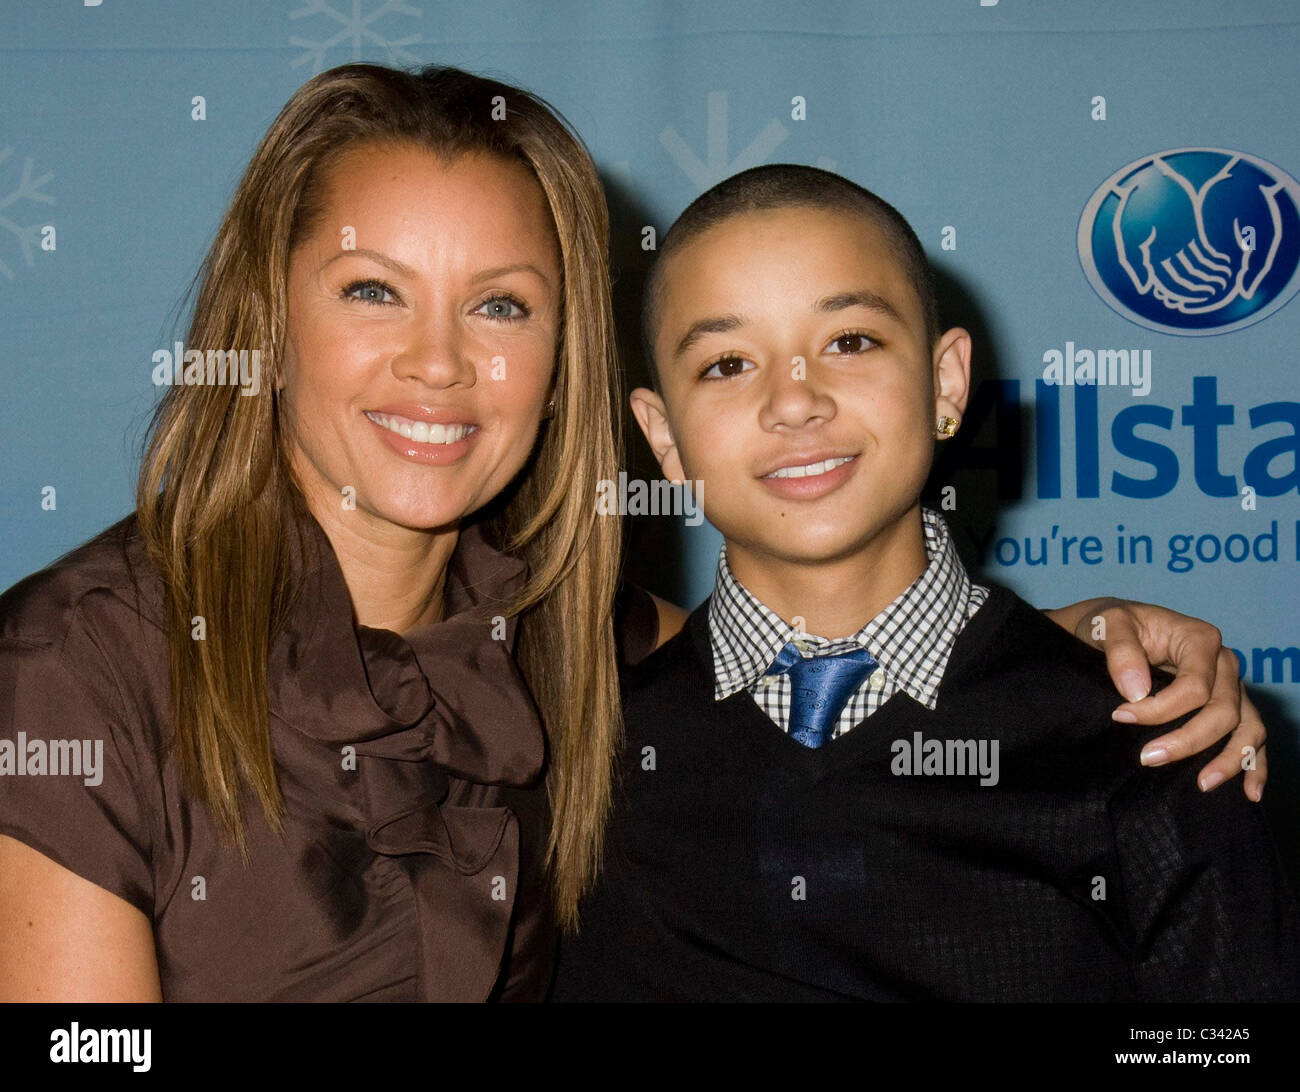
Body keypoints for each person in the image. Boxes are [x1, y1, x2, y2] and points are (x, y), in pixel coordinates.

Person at [0, 63, 1272, 1002]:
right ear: (267, 323)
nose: (438, 363)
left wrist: (1069, 648)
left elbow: (805, 650)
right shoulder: (79, 661)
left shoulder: (565, 637)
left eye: (500, 305)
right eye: (373, 290)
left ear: (566, 362)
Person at [551, 164, 1298, 1001]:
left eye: (850, 341)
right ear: (664, 438)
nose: (794, 403)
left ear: (945, 380)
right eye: (727, 364)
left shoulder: (1153, 741)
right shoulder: (574, 754)